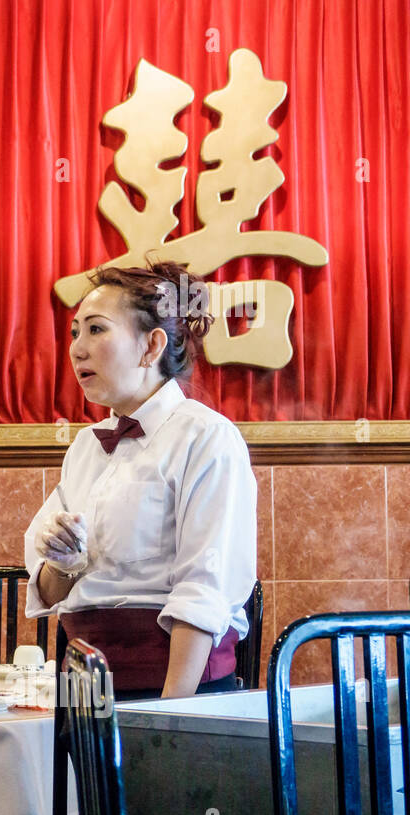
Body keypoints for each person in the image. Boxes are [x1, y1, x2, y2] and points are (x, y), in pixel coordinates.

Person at [24, 262, 257, 700]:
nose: (76, 349)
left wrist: (171, 721)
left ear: (152, 346)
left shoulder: (207, 437)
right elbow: (51, 591)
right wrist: (63, 562)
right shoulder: (85, 447)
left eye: (96, 330)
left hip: (171, 686)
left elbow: (204, 588)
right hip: (85, 686)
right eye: (75, 332)